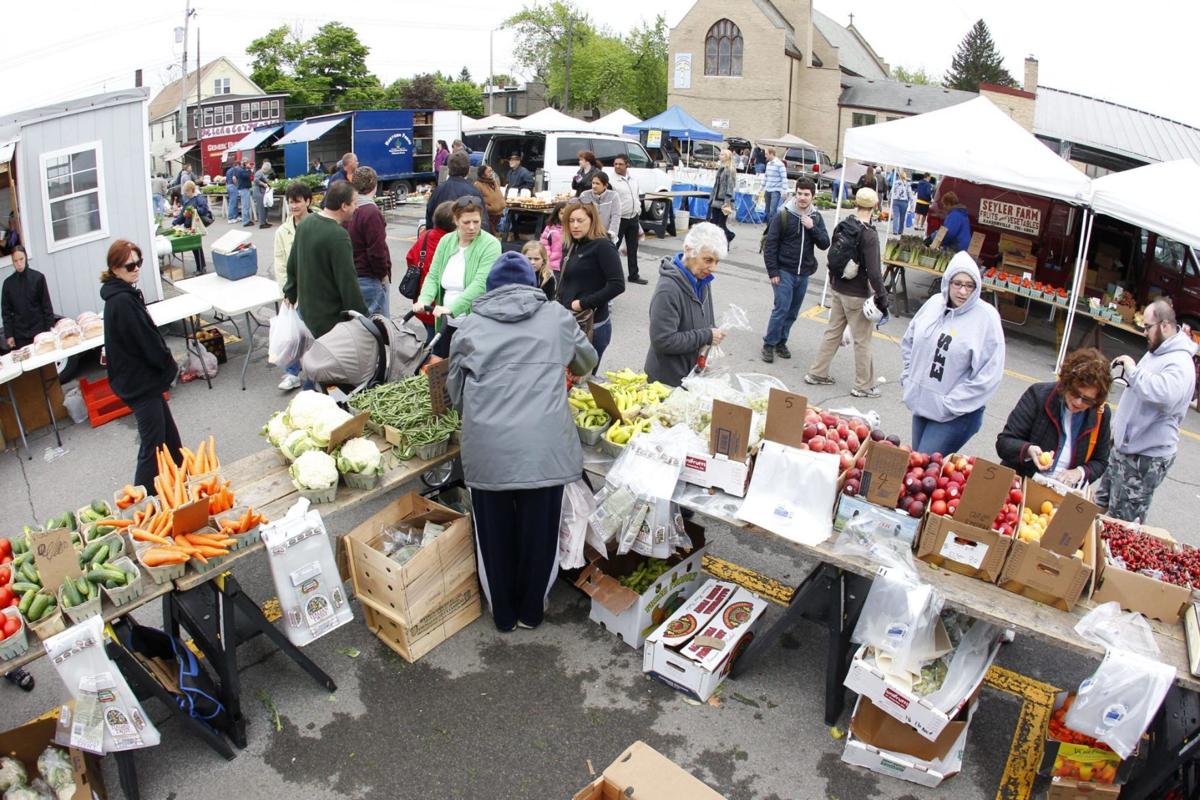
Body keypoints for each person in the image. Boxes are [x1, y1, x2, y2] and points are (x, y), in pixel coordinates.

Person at [448, 251, 597, 632]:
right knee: (539, 533)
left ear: (491, 287)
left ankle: (503, 615)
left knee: (493, 536)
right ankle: (531, 611)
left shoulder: (468, 326)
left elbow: (455, 391)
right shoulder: (558, 318)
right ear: (532, 285)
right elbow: (586, 362)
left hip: (488, 449)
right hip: (544, 449)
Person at [1095, 300, 1198, 522]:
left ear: (1165, 325)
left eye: (1148, 327)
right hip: (1124, 450)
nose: (1144, 333)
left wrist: (1133, 371)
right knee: (1100, 506)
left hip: (1144, 457)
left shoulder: (1180, 362)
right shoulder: (1158, 351)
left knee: (1121, 523)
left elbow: (1165, 396)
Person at [900, 252, 1005, 454]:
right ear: (947, 281)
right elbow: (909, 341)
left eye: (969, 285)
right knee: (918, 464)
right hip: (922, 404)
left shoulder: (986, 318)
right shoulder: (933, 304)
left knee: (923, 465)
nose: (963, 291)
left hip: (956, 413)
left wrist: (949, 404)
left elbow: (988, 375)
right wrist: (908, 378)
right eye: (957, 283)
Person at [100, 239, 182, 488]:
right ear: (115, 269)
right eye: (130, 266)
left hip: (145, 382)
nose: (136, 269)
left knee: (170, 440)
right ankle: (141, 501)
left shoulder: (124, 294)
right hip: (140, 384)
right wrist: (168, 364)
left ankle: (184, 484)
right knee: (153, 447)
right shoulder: (121, 301)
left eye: (139, 263)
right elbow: (146, 342)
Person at [805, 188, 888, 398]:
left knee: (832, 332)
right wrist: (882, 297)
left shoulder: (844, 224)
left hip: (838, 287)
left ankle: (817, 373)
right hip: (857, 293)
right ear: (875, 207)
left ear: (856, 204)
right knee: (862, 340)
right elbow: (875, 272)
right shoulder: (868, 234)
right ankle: (864, 385)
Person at [996, 348, 1113, 486]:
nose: (1078, 402)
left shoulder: (1101, 413)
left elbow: (1100, 461)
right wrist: (1029, 450)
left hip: (1062, 492)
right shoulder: (1038, 395)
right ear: (1066, 383)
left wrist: (1079, 472)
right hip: (1022, 483)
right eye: (1075, 393)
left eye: (1087, 400)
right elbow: (1005, 442)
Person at [413, 196, 502, 359]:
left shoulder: (491, 245)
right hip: (445, 323)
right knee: (442, 366)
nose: (472, 227)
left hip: (474, 324)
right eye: (466, 222)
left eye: (476, 221)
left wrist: (452, 308)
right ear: (456, 220)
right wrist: (424, 299)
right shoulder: (446, 241)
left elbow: (480, 284)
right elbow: (433, 276)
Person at [283, 180, 368, 341]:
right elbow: (347, 282)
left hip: (307, 313)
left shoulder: (306, 223)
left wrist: (290, 293)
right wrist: (362, 318)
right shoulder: (338, 235)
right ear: (344, 206)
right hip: (330, 321)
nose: (356, 208)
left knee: (312, 361)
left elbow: (292, 264)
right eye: (355, 203)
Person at [645, 222, 726, 387]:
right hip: (665, 382)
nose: (713, 268)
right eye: (708, 260)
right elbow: (663, 340)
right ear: (689, 250)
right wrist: (707, 335)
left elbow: (705, 321)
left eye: (717, 261)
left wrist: (708, 345)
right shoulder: (668, 290)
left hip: (690, 375)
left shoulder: (702, 279)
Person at [761, 177, 829, 363]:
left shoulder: (816, 217)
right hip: (784, 270)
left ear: (813, 196)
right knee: (781, 308)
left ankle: (781, 342)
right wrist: (773, 272)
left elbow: (825, 243)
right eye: (799, 193)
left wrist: (812, 228)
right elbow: (771, 245)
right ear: (795, 193)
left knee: (792, 312)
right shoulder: (783, 214)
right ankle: (769, 344)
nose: (802, 198)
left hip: (803, 273)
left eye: (806, 194)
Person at [556, 200, 625, 367]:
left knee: (582, 383)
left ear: (592, 221)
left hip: (591, 325)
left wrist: (582, 303)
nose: (575, 225)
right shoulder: (573, 244)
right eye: (571, 221)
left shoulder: (603, 246)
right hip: (569, 322)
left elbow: (617, 284)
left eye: (580, 221)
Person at [272, 181, 313, 391]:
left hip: (315, 289)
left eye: (297, 202)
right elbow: (279, 262)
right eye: (290, 202)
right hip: (294, 290)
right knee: (294, 335)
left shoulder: (318, 224)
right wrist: (286, 291)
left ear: (308, 201)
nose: (294, 206)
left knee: (315, 333)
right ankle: (292, 373)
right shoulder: (283, 231)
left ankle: (316, 374)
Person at [406, 201, 455, 341]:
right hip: (440, 308)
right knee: (438, 345)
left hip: (421, 302)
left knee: (431, 336)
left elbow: (410, 259)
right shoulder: (452, 244)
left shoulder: (425, 236)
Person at [347, 166, 392, 318]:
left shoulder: (348, 209)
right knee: (378, 330)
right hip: (369, 278)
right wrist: (383, 274)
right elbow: (377, 251)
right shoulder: (371, 212)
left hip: (351, 277)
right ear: (374, 185)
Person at [2, 247, 55, 349]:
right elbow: (6, 313)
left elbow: (47, 306)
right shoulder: (8, 284)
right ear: (12, 262)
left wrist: (50, 330)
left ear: (26, 257)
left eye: (21, 259)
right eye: (15, 261)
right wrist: (9, 335)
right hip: (20, 336)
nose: (19, 263)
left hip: (40, 332)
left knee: (46, 363)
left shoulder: (38, 278)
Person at [425, 152, 489, 231]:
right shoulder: (473, 191)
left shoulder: (437, 191)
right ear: (468, 170)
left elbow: (429, 221)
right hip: (466, 240)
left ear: (448, 169)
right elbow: (483, 223)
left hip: (441, 239)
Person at [610, 155, 645, 284]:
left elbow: (636, 196)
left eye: (620, 164)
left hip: (633, 217)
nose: (617, 166)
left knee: (633, 248)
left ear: (627, 165)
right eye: (615, 164)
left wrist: (638, 209)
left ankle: (633, 275)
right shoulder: (611, 181)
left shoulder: (633, 180)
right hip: (619, 219)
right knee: (613, 248)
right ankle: (609, 275)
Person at [172, 181, 212, 274]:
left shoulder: (199, 198)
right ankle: (201, 267)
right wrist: (175, 223)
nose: (185, 193)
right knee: (195, 248)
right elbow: (182, 216)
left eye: (187, 191)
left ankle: (201, 268)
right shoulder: (187, 201)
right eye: (185, 191)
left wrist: (194, 210)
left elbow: (204, 210)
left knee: (197, 248)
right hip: (190, 227)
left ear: (192, 190)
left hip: (196, 227)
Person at [579, 172, 620, 244]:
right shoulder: (585, 195)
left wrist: (611, 233)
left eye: (597, 183)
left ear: (605, 185)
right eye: (593, 183)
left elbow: (616, 216)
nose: (594, 186)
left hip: (606, 235)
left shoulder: (614, 195)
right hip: (588, 236)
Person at [707, 149, 737, 243]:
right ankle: (718, 241)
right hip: (716, 200)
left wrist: (727, 201)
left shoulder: (729, 170)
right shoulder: (722, 168)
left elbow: (730, 187)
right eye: (720, 154)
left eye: (722, 155)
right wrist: (712, 198)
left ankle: (728, 236)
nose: (720, 156)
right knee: (715, 222)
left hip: (723, 201)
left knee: (721, 224)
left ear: (727, 157)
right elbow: (716, 186)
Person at [473, 164, 506, 234]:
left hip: (498, 214)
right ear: (483, 174)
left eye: (492, 171)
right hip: (489, 216)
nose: (491, 173)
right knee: (491, 234)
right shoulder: (478, 185)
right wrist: (488, 208)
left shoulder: (493, 182)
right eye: (489, 172)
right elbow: (477, 201)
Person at [540, 201, 566, 273]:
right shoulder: (550, 227)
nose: (564, 216)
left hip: (567, 264)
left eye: (566, 214)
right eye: (561, 213)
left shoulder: (573, 228)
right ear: (557, 214)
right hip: (553, 264)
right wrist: (547, 258)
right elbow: (544, 243)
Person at [762, 148, 788, 220]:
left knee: (772, 211)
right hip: (768, 189)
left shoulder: (780, 164)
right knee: (767, 210)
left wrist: (784, 191)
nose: (765, 156)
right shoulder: (768, 164)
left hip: (775, 190)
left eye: (766, 154)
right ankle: (768, 227)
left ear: (771, 154)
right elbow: (766, 177)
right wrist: (761, 188)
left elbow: (784, 178)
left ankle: (772, 228)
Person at [252, 160, 273, 230]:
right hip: (258, 192)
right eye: (267, 170)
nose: (267, 171)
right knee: (261, 208)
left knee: (264, 207)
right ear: (266, 168)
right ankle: (262, 224)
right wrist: (264, 184)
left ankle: (265, 222)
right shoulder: (259, 172)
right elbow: (256, 180)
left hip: (261, 192)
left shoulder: (261, 173)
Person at [890, 171, 910, 236]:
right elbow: (910, 194)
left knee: (896, 216)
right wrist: (911, 204)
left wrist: (890, 199)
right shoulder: (907, 184)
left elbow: (891, 192)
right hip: (904, 202)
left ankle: (895, 231)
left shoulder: (895, 183)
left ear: (899, 176)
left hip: (895, 200)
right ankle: (900, 231)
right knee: (902, 217)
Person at [237, 161, 254, 227]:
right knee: (245, 206)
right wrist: (251, 170)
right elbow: (247, 176)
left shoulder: (243, 170)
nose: (249, 164)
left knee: (246, 205)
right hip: (244, 189)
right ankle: (245, 222)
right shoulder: (241, 170)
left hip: (245, 189)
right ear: (244, 164)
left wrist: (249, 169)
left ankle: (247, 220)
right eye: (248, 163)